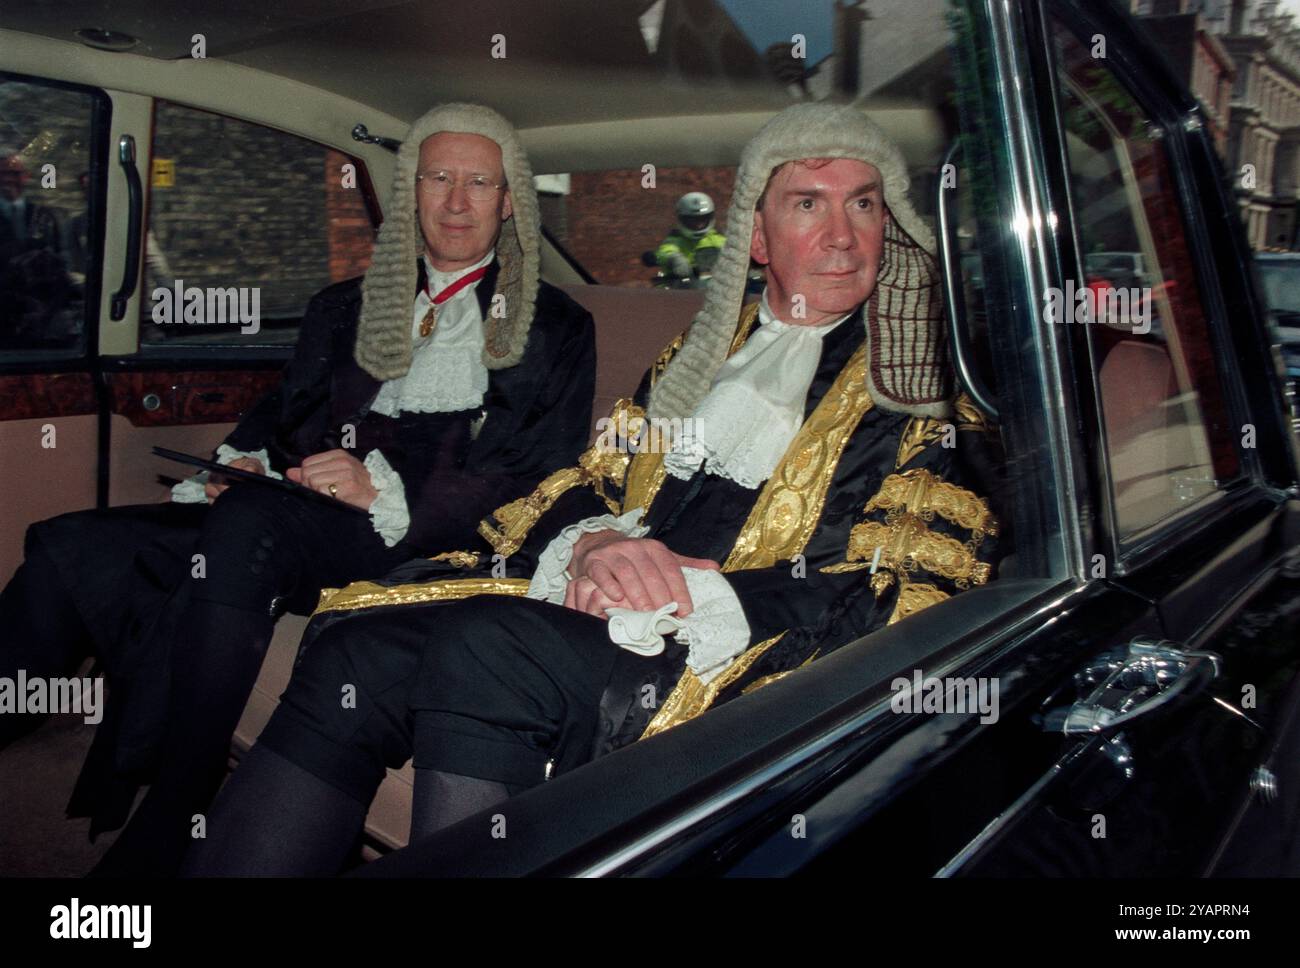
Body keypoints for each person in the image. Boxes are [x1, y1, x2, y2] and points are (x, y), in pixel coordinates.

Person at [186, 103, 1004, 876]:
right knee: (356, 652)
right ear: (756, 237)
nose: (841, 237)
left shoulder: (928, 387)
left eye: (862, 206)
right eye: (807, 206)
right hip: (592, 612)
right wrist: (599, 543)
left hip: (738, 653)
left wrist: (692, 592)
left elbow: (919, 592)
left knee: (486, 648)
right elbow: (587, 478)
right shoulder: (699, 354)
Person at [0, 102, 597, 875]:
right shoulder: (340, 306)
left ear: (509, 200)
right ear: (411, 191)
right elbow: (284, 415)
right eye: (439, 179)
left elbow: (537, 475)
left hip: (417, 536)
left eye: (479, 183)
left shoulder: (555, 326)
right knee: (70, 545)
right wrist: (243, 459)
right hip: (292, 508)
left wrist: (380, 491)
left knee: (247, 528)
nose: (456, 201)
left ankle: (175, 810)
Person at [655, 191, 726, 283]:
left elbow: (736, 253)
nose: (698, 224)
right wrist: (674, 259)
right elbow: (664, 252)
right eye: (692, 220)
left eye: (702, 219)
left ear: (710, 218)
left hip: (718, 289)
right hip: (680, 289)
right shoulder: (675, 241)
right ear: (682, 219)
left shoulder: (719, 241)